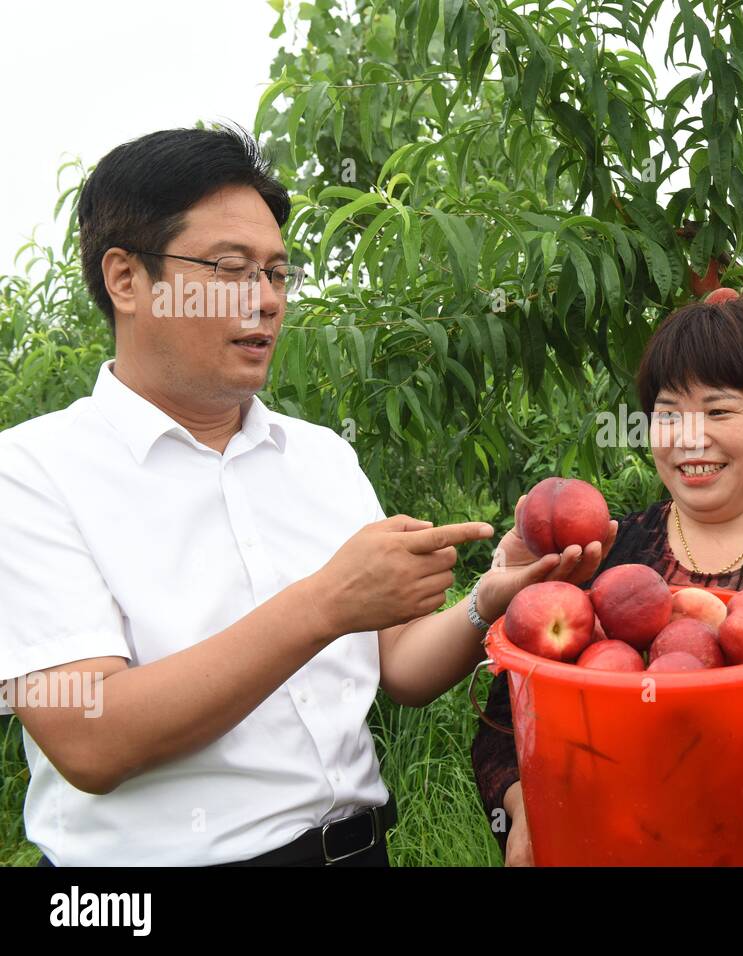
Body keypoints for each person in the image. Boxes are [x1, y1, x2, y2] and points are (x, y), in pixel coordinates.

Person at [0, 126, 604, 866]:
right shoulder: (32, 472)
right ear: (126, 279)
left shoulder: (319, 456)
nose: (265, 301)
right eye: (230, 270)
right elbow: (90, 737)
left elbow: (400, 668)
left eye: (278, 274)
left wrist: (492, 600)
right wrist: (325, 603)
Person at [472, 296, 743, 866]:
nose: (689, 437)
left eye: (719, 412)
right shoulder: (604, 559)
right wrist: (525, 808)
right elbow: (506, 726)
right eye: (669, 413)